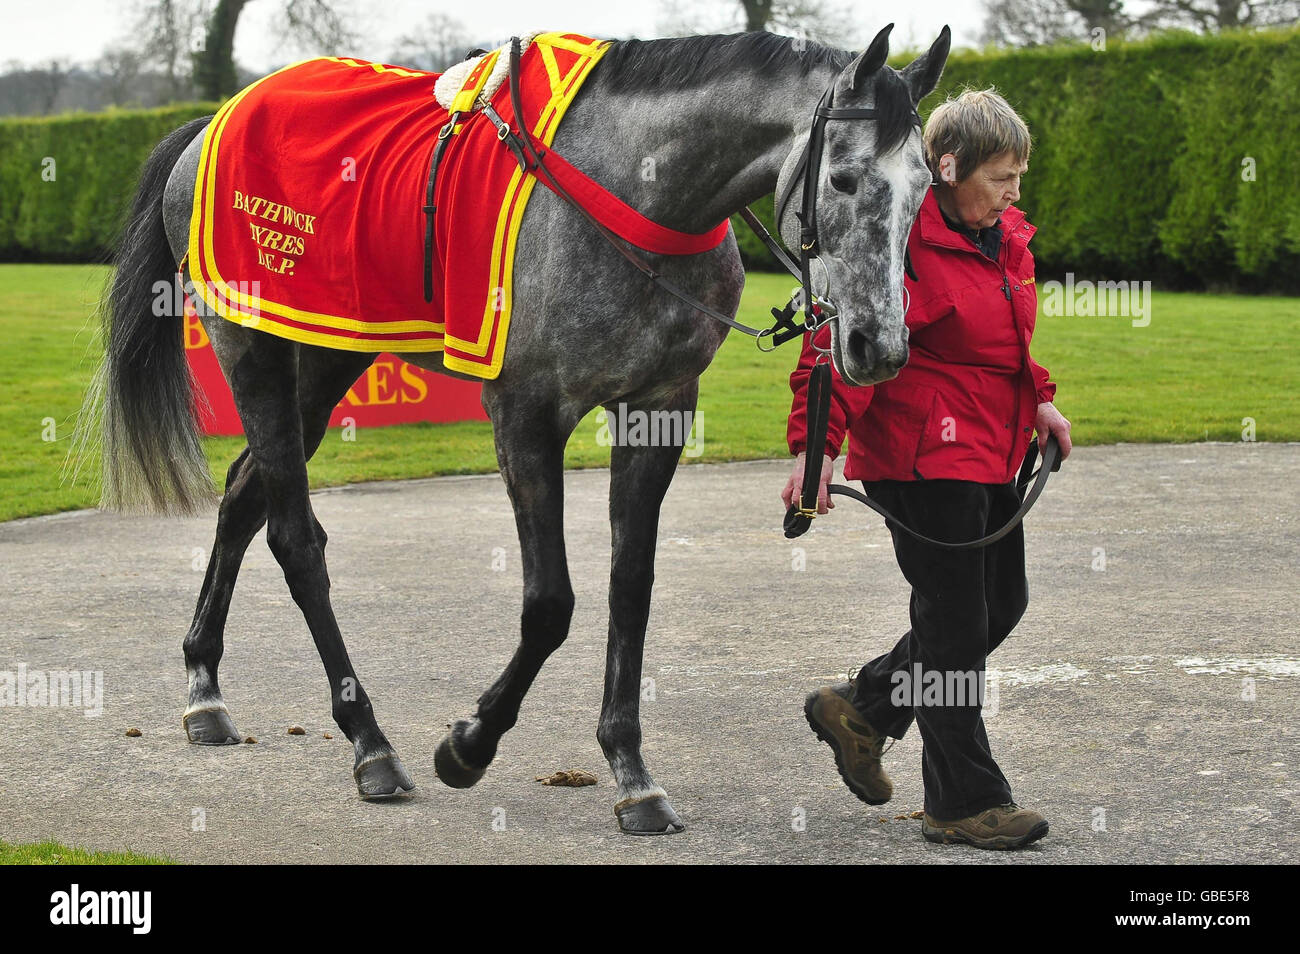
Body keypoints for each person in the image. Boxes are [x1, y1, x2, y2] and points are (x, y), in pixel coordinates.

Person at [782, 88, 1072, 850]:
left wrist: (1039, 400)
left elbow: (1003, 337)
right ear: (947, 166)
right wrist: (817, 455)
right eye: (1001, 176)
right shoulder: (898, 244)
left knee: (999, 606)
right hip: (919, 460)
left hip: (989, 451)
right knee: (954, 633)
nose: (1014, 193)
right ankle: (963, 801)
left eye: (1019, 176)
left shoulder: (1000, 236)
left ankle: (866, 707)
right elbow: (841, 349)